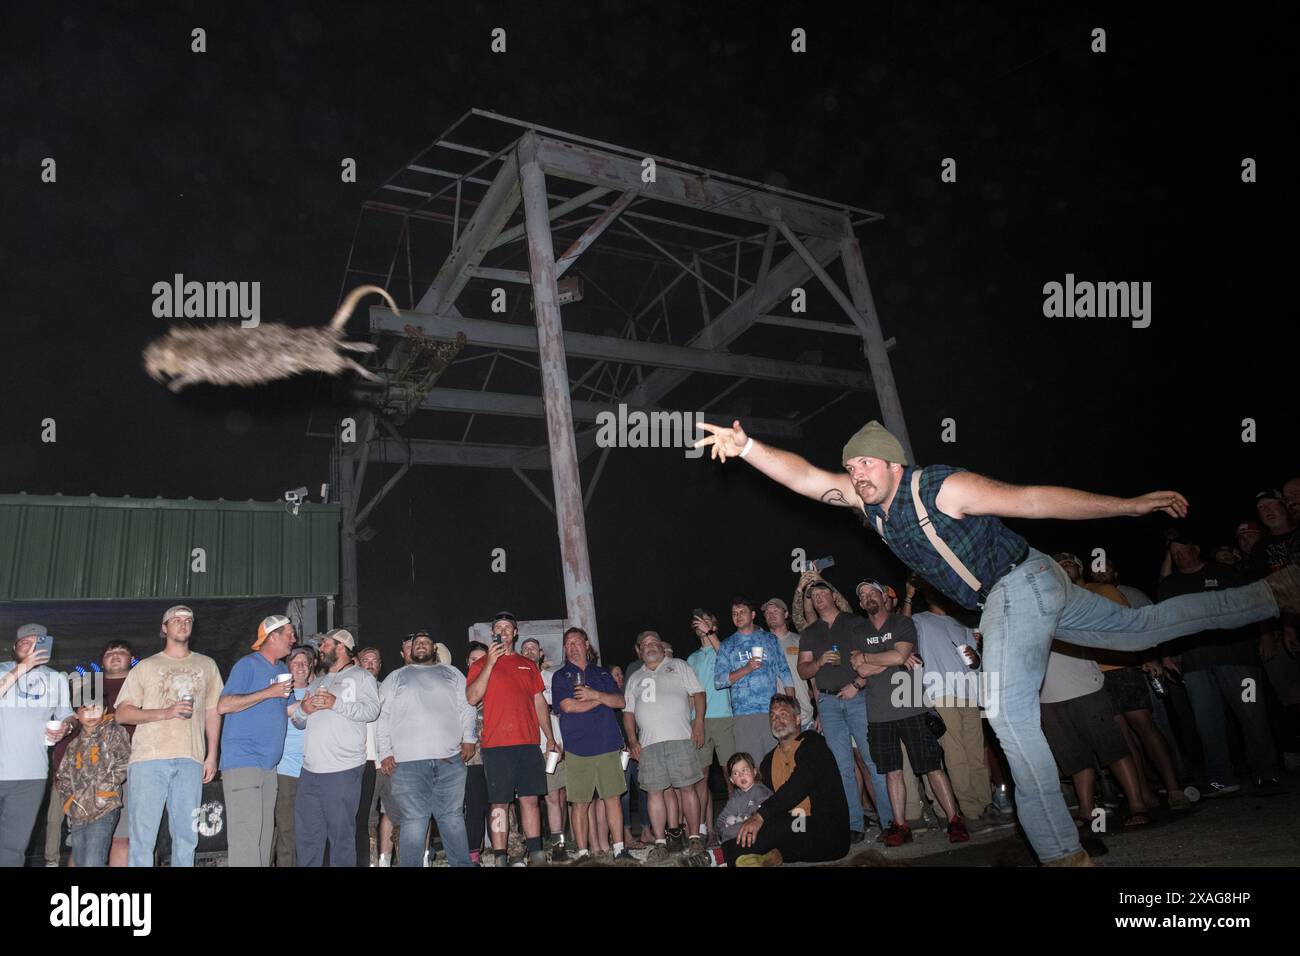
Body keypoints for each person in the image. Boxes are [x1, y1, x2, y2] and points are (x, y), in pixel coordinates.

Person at [695, 417, 1300, 865]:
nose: (855, 477)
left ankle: (1063, 853)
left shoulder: (941, 487)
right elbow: (804, 477)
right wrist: (746, 446)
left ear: (893, 464)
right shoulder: (866, 502)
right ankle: (1273, 594)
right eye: (851, 469)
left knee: (1008, 715)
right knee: (1143, 628)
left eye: (866, 467)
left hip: (1023, 584)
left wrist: (1129, 506)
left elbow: (1033, 499)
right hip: (1020, 594)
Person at [851, 583, 969, 846]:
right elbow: (861, 669)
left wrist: (885, 657)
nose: (868, 597)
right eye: (862, 596)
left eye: (873, 593)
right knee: (892, 771)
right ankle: (901, 826)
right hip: (879, 713)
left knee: (932, 767)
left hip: (912, 704)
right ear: (860, 604)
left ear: (883, 597)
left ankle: (954, 820)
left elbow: (897, 656)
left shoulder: (902, 623)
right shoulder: (859, 630)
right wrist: (893, 657)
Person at [1158, 537, 1279, 793]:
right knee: (1207, 723)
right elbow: (1166, 621)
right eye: (1174, 552)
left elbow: (1256, 603)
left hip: (1239, 658)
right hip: (1195, 663)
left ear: (1196, 547)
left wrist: (1266, 634)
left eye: (1183, 549)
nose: (1180, 555)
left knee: (1252, 714)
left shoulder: (1224, 572)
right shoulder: (1170, 584)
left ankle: (1266, 773)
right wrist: (1166, 654)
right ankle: (1221, 778)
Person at [114, 606, 223, 867]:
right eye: (176, 620)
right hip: (149, 758)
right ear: (164, 628)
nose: (183, 624)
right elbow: (122, 713)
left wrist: (212, 754)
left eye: (188, 620)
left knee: (187, 835)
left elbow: (212, 711)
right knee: (143, 836)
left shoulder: (207, 665)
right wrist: (167, 712)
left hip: (191, 757)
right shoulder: (146, 667)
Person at [796, 577, 888, 841]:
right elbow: (803, 670)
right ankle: (854, 825)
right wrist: (819, 662)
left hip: (857, 698)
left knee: (872, 761)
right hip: (828, 703)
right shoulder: (810, 633)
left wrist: (857, 685)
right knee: (842, 766)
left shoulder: (854, 623)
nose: (819, 597)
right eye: (814, 596)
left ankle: (890, 822)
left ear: (833, 596)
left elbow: (873, 658)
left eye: (823, 592)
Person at [377, 632, 477, 868]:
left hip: (449, 760)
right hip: (408, 763)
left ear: (434, 649)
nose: (420, 645)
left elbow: (467, 706)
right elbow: (383, 716)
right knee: (414, 820)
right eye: (416, 643)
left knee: (452, 817)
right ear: (410, 651)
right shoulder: (396, 676)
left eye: (425, 642)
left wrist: (469, 738)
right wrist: (385, 752)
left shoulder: (451, 673)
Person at [907, 583, 1001, 829]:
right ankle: (970, 811)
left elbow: (976, 665)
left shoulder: (962, 624)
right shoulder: (919, 620)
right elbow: (901, 633)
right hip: (940, 692)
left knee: (976, 752)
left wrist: (975, 658)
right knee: (956, 753)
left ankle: (986, 803)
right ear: (927, 595)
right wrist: (908, 596)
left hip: (969, 692)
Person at [466, 611, 555, 866]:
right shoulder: (479, 665)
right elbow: (472, 697)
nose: (503, 631)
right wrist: (491, 662)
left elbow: (539, 700)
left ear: (515, 633)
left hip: (528, 743)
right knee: (499, 803)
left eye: (508, 628)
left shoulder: (528, 665)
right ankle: (500, 857)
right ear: (492, 633)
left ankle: (536, 854)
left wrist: (549, 737)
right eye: (498, 627)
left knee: (530, 799)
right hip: (496, 746)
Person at [723, 695, 849, 866]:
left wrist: (760, 816)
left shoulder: (813, 745)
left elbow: (796, 788)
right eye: (773, 716)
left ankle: (716, 856)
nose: (777, 720)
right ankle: (761, 855)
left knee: (777, 823)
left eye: (783, 714)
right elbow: (765, 799)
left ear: (797, 719)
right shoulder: (768, 761)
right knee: (759, 824)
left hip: (827, 834)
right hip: (794, 834)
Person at [1039, 645, 1153, 831]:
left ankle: (1137, 805)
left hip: (1085, 686)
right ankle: (1086, 811)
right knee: (1074, 756)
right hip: (1046, 696)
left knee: (1112, 748)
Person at [291, 628, 380, 867]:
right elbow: (298, 722)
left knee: (341, 838)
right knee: (308, 837)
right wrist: (303, 710)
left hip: (343, 770)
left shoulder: (362, 677)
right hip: (309, 772)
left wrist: (336, 703)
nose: (320, 649)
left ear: (341, 647)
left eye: (325, 645)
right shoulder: (317, 681)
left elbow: (372, 711)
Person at [45, 639, 136, 868]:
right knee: (79, 847)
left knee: (119, 840)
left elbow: (123, 760)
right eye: (109, 652)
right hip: (79, 793)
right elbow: (69, 736)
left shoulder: (140, 683)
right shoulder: (89, 686)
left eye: (121, 652)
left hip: (119, 785)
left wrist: (104, 791)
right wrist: (68, 797)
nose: (115, 655)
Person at [216, 614, 297, 867]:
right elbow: (223, 705)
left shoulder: (282, 670)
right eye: (289, 634)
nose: (294, 638)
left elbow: (288, 709)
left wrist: (310, 705)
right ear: (273, 637)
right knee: (246, 836)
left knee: (263, 838)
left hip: (269, 765)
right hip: (243, 761)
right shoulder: (247, 665)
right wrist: (268, 692)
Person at [624, 630, 709, 864]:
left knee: (687, 788)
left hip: (680, 737)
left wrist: (698, 723)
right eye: (645, 644)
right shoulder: (634, 678)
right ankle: (660, 842)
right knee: (654, 792)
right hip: (649, 744)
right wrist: (632, 740)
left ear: (662, 647)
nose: (650, 646)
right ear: (639, 651)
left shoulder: (679, 666)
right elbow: (628, 712)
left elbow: (699, 693)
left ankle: (694, 838)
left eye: (654, 642)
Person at [550, 627, 633, 862]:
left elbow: (620, 700)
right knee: (580, 802)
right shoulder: (561, 676)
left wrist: (594, 694)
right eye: (567, 643)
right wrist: (601, 701)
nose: (572, 646)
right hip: (577, 747)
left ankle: (619, 849)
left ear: (587, 645)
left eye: (576, 641)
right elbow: (567, 706)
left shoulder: (603, 674)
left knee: (612, 798)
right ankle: (583, 853)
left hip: (607, 744)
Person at [0, 624, 75, 867]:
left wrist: (66, 728)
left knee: (14, 847)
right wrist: (23, 668)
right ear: (14, 647)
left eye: (37, 643)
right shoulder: (2, 670)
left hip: (31, 776)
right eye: (24, 643)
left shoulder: (56, 679)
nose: (30, 647)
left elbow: (68, 716)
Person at [713, 597, 795, 764]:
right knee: (753, 765)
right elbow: (719, 681)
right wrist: (746, 669)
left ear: (753, 615)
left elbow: (785, 672)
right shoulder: (727, 645)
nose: (738, 616)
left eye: (742, 612)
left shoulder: (769, 640)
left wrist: (792, 705)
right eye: (734, 613)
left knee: (778, 762)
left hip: (772, 712)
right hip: (744, 716)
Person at [686, 609, 734, 846]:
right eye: (698, 622)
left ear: (713, 624)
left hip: (724, 717)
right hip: (699, 722)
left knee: (731, 774)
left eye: (706, 620)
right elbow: (688, 696)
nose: (701, 625)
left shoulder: (723, 648)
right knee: (700, 779)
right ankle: (705, 829)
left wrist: (711, 633)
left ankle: (735, 824)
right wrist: (691, 722)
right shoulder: (691, 659)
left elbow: (728, 658)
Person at [520, 636, 568, 861]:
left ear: (541, 654)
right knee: (527, 799)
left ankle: (559, 845)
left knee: (553, 796)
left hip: (551, 745)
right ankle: (530, 846)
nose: (530, 652)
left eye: (533, 649)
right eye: (525, 649)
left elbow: (561, 711)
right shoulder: (516, 677)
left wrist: (560, 741)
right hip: (525, 745)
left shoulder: (552, 678)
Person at [273, 644, 315, 867]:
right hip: (286, 771)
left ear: (311, 667)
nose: (300, 667)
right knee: (287, 829)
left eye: (305, 663)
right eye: (295, 662)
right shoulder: (278, 694)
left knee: (310, 829)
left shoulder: (318, 691)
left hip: (315, 770)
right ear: (288, 666)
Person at [762, 598, 814, 729]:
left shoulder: (800, 640)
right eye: (767, 612)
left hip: (803, 715)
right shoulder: (760, 645)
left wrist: (822, 712)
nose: (771, 614)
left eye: (775, 610)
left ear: (785, 615)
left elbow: (814, 678)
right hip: (775, 718)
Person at [355, 646, 384, 866]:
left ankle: (389, 860)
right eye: (366, 660)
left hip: (389, 761)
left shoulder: (387, 690)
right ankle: (370, 861)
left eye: (375, 660)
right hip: (363, 762)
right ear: (358, 663)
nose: (370, 663)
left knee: (398, 815)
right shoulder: (351, 692)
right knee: (367, 817)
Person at [463, 642, 491, 864]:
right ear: (467, 663)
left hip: (498, 752)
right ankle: (473, 853)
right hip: (472, 756)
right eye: (474, 659)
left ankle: (506, 850)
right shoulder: (460, 686)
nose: (478, 663)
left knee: (500, 804)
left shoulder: (498, 682)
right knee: (474, 804)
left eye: (483, 659)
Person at [715, 752, 773, 843]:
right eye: (736, 773)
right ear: (731, 780)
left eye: (744, 770)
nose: (741, 775)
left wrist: (742, 821)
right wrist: (724, 829)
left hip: (762, 832)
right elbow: (721, 819)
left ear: (754, 772)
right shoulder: (735, 797)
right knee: (733, 832)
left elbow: (766, 813)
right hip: (739, 833)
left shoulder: (760, 791)